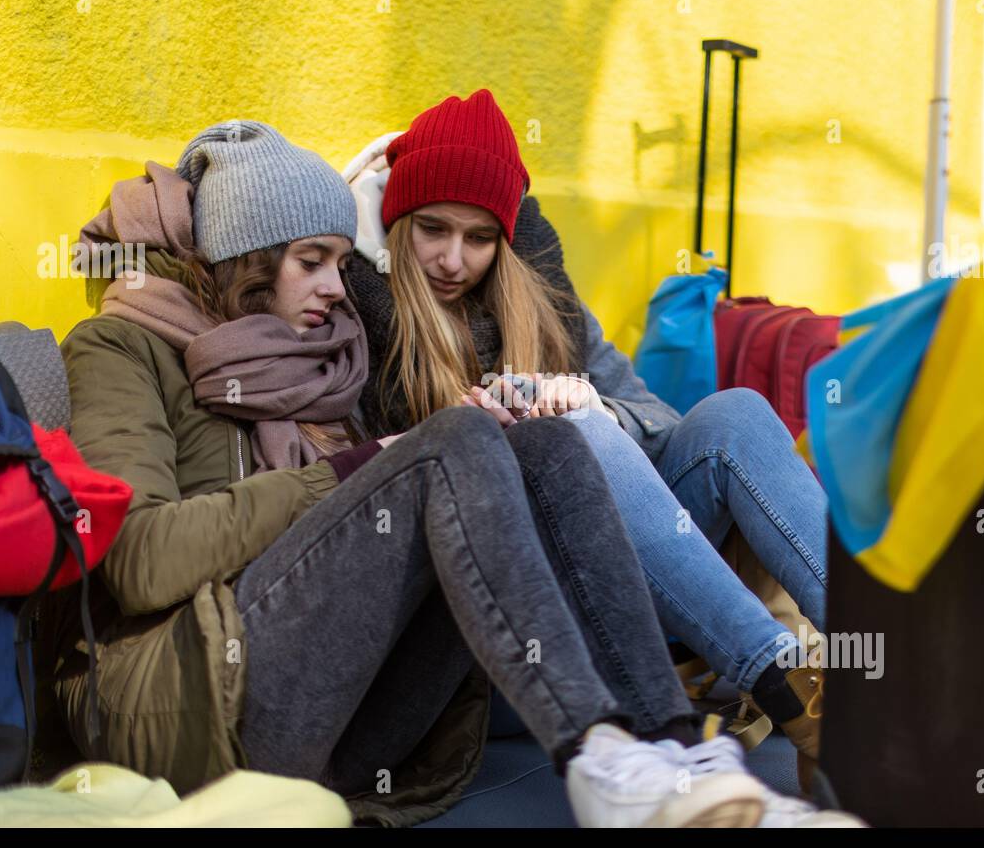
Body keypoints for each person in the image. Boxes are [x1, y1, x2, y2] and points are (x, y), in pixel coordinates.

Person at [43, 119, 851, 828]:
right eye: (313, 261)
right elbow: (140, 560)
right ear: (247, 263)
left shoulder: (324, 355)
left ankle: (672, 749)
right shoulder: (121, 348)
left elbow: (648, 426)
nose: (338, 285)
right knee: (457, 437)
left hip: (371, 700)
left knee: (552, 438)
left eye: (338, 258)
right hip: (202, 695)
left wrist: (575, 412)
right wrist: (372, 463)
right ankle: (614, 752)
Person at [344, 90, 833, 792]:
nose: (453, 259)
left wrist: (596, 405)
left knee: (736, 413)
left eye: (479, 238)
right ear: (397, 220)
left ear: (505, 240)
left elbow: (656, 418)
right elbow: (356, 498)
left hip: (638, 587)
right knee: (566, 435)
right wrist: (459, 433)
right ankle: (792, 689)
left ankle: (875, 666)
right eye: (433, 230)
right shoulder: (357, 312)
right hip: (512, 644)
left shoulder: (544, 302)